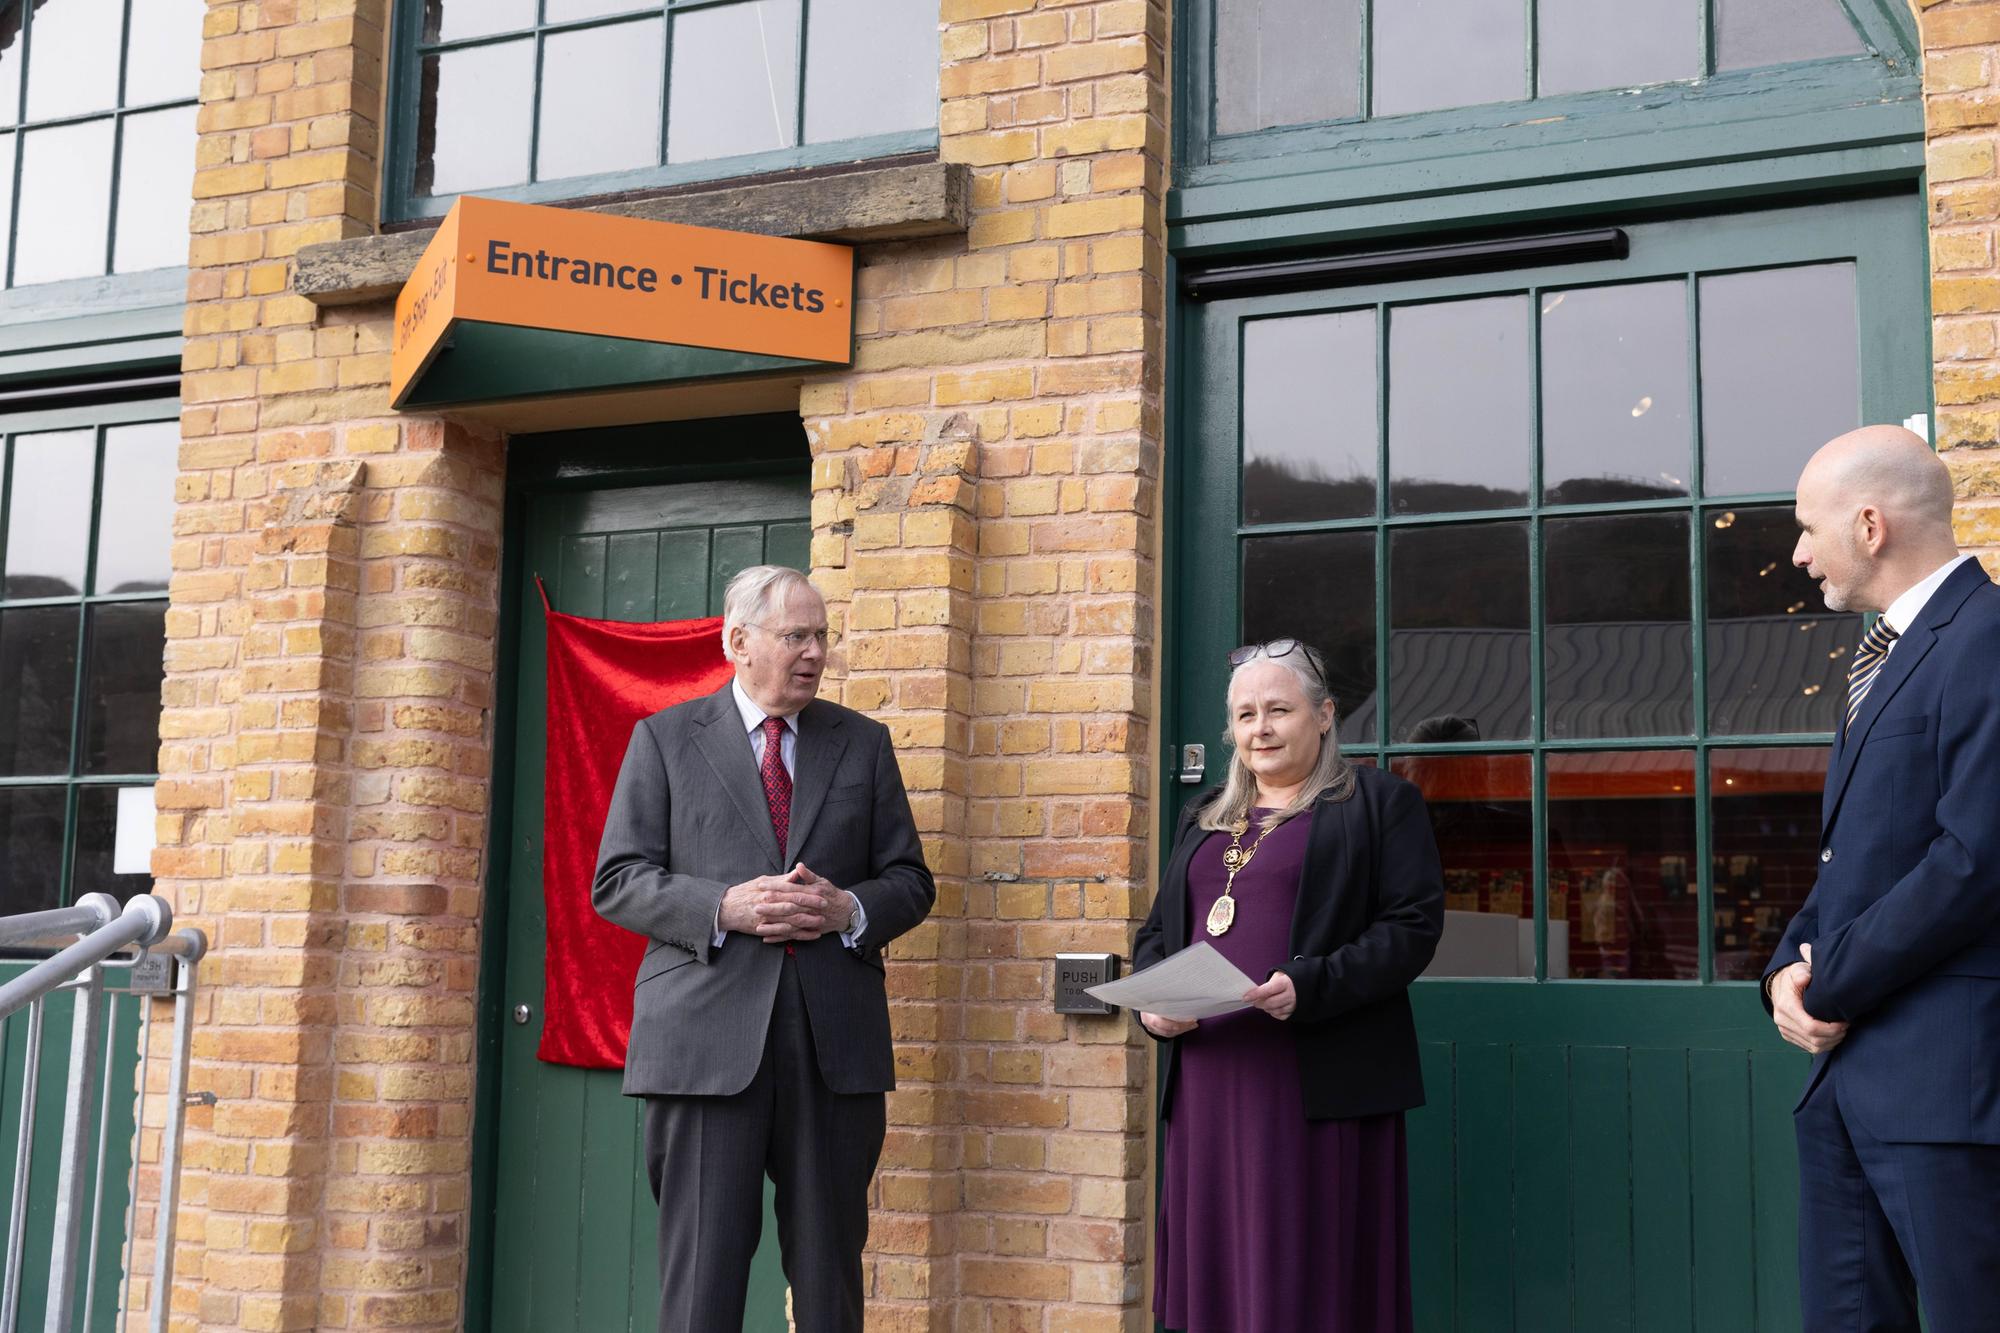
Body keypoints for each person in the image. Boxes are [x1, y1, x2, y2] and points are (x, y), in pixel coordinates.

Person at [593, 565, 935, 1333]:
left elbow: (911, 880)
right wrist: (723, 906)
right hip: (705, 1051)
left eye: (821, 636)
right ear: (738, 641)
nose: (814, 652)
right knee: (701, 1289)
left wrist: (849, 908)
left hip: (831, 1050)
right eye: (795, 636)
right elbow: (618, 880)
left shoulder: (863, 744)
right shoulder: (665, 739)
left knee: (828, 1285)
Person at [1133, 639, 1444, 1333]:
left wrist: (1312, 985)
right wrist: (1153, 1005)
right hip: (1210, 1082)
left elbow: (1412, 928)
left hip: (1315, 1083)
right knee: (1220, 1281)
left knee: (1309, 1282)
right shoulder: (1203, 815)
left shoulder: (1379, 802)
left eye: (1279, 709)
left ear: (1324, 714)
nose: (1261, 728)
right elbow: (1158, 932)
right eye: (1245, 715)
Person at [1762, 425, 2000, 1331]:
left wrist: (1831, 981)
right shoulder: (1886, 653)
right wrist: (1782, 970)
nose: (1797, 552)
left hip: (1950, 1087)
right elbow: (1854, 859)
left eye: (1806, 526)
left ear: (1869, 525)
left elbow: (1976, 858)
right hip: (1846, 1084)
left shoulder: (1987, 636)